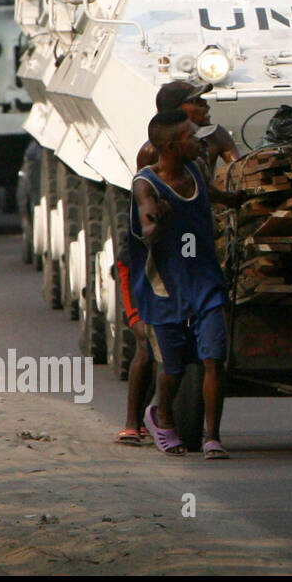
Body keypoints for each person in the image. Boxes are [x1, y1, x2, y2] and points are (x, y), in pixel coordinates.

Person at [115, 81, 238, 446]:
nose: (204, 106)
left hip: (198, 272)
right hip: (157, 277)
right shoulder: (149, 161)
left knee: (211, 356)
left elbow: (227, 186)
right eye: (196, 103)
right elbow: (145, 212)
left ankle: (211, 437)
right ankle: (136, 421)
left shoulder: (202, 155)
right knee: (151, 351)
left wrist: (246, 197)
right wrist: (155, 223)